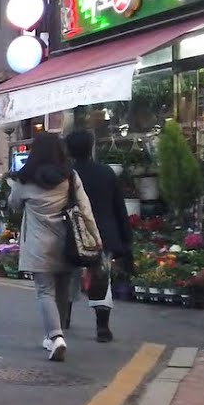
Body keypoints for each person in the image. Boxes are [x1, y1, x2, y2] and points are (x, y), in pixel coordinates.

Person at [8, 132, 102, 362]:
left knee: (44, 291)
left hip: (38, 245)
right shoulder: (69, 176)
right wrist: (96, 239)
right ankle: (54, 337)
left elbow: (14, 204)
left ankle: (55, 336)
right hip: (67, 243)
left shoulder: (24, 179)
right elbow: (85, 210)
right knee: (61, 290)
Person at [65, 130, 134, 342]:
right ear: (91, 147)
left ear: (68, 149)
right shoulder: (106, 172)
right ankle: (102, 326)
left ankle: (63, 316)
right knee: (101, 277)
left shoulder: (66, 174)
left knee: (68, 274)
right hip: (102, 233)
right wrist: (125, 239)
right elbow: (119, 207)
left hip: (71, 233)